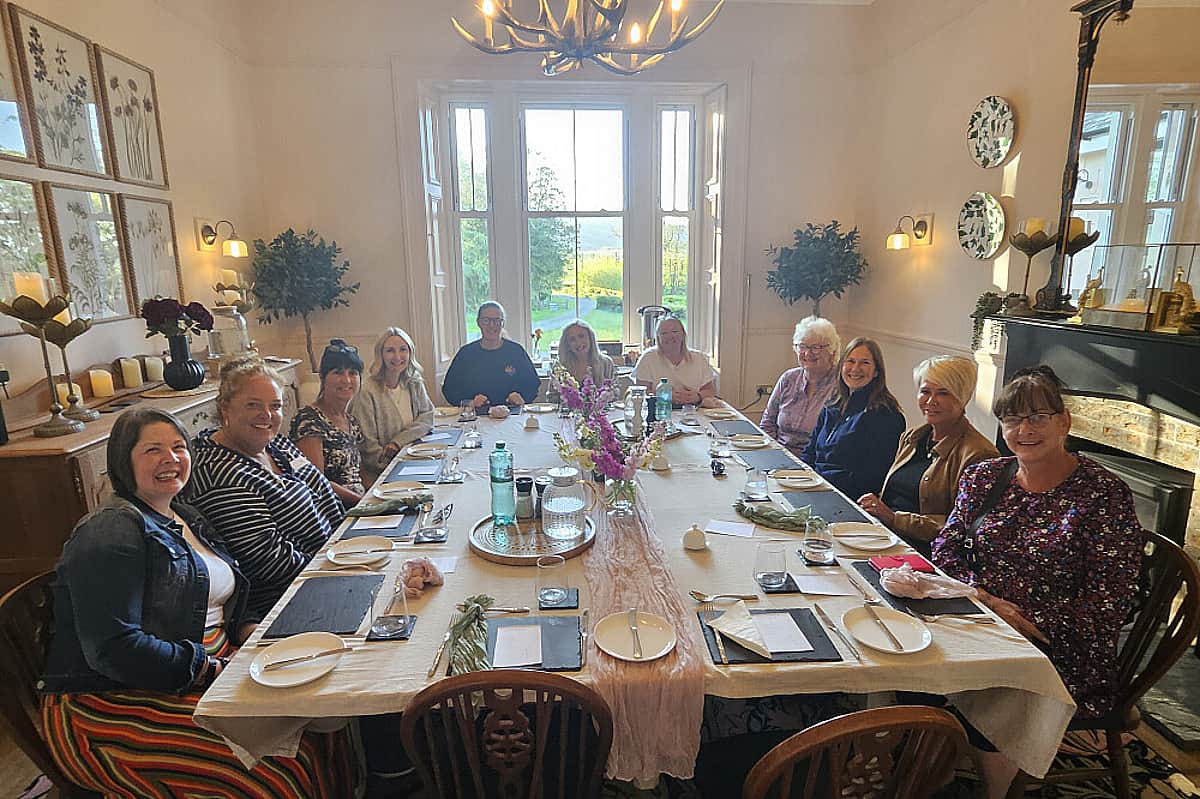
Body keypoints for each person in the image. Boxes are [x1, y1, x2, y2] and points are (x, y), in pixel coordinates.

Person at [39, 408, 355, 797]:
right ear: (123, 460)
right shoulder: (111, 531)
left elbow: (229, 590)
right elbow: (113, 649)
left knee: (329, 713)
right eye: (152, 450)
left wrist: (247, 629)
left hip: (211, 665)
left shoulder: (183, 514)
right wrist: (208, 667)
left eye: (177, 447)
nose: (170, 459)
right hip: (113, 702)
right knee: (277, 769)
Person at [931, 366, 1142, 796]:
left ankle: (995, 790)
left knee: (992, 679)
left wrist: (1024, 619)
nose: (1023, 429)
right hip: (977, 615)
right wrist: (986, 601)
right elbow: (945, 550)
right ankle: (931, 762)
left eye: (1038, 417)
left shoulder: (1103, 494)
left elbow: (1110, 600)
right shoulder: (986, 477)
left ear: (1064, 422)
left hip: (1059, 644)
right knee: (902, 652)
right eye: (1012, 419)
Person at [187, 355, 343, 618]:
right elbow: (269, 562)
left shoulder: (275, 444)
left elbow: (328, 499)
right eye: (253, 405)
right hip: (288, 600)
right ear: (226, 408)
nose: (267, 415)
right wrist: (340, 568)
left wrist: (348, 550)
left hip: (330, 569)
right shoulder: (218, 471)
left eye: (276, 405)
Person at [857, 356, 998, 556]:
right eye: (925, 391)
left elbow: (959, 527)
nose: (931, 401)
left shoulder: (979, 455)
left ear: (962, 397)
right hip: (886, 537)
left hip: (928, 552)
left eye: (943, 393)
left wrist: (894, 518)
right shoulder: (912, 437)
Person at [801, 337, 905, 499]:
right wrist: (801, 479)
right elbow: (809, 452)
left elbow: (872, 479)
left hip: (847, 498)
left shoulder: (886, 416)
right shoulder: (833, 405)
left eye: (865, 363)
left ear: (877, 371)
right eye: (850, 361)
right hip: (813, 487)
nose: (855, 368)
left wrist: (820, 482)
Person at [350, 327, 435, 480]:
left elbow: (427, 416)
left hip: (417, 460)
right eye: (390, 350)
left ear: (410, 353)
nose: (397, 356)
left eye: (403, 349)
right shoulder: (366, 392)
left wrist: (397, 443)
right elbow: (367, 446)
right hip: (383, 472)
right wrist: (394, 466)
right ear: (380, 354)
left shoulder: (414, 381)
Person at [290, 339, 366, 504]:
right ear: (323, 377)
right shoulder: (309, 420)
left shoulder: (351, 421)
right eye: (338, 372)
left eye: (353, 373)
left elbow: (360, 474)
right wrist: (363, 503)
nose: (346, 380)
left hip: (361, 504)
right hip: (335, 511)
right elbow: (317, 482)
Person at [759, 316, 840, 456]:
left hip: (814, 463)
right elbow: (767, 422)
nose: (807, 353)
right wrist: (771, 454)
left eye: (816, 348)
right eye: (802, 346)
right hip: (778, 456)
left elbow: (833, 441)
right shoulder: (788, 379)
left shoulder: (839, 387)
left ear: (832, 351)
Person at [441, 301, 540, 408]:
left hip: (512, 416)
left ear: (503, 323)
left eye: (497, 320)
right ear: (478, 322)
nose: (492, 325)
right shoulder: (465, 354)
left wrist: (522, 398)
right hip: (475, 417)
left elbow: (532, 384)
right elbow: (449, 389)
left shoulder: (516, 352)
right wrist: (470, 403)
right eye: (486, 320)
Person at [632, 316, 717, 406]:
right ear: (658, 337)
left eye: (674, 331)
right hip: (660, 410)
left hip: (693, 410)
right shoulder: (648, 357)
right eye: (664, 333)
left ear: (683, 335)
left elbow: (710, 390)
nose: (670, 336)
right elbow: (640, 391)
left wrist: (697, 396)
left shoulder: (699, 358)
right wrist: (664, 396)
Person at [550, 320, 615, 399]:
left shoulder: (606, 363)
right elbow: (551, 397)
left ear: (590, 338)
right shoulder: (560, 366)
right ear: (568, 345)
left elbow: (614, 393)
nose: (578, 342)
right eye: (572, 339)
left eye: (581, 336)